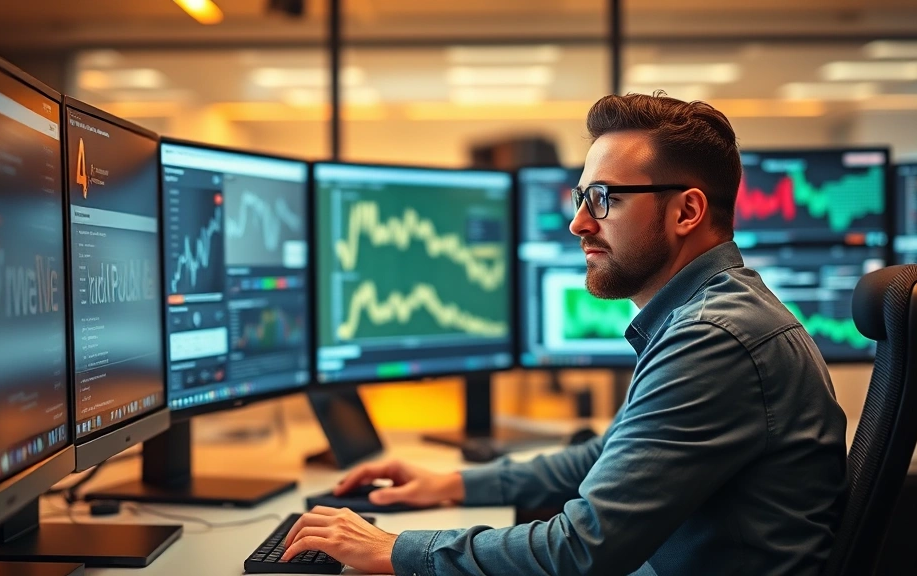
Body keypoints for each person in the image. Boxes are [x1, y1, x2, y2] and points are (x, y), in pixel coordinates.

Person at [283, 93, 848, 576]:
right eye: (581, 197)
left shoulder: (714, 336)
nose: (579, 222)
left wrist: (395, 549)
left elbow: (581, 549)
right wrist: (453, 484)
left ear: (687, 211)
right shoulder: (706, 315)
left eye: (604, 198)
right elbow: (606, 457)